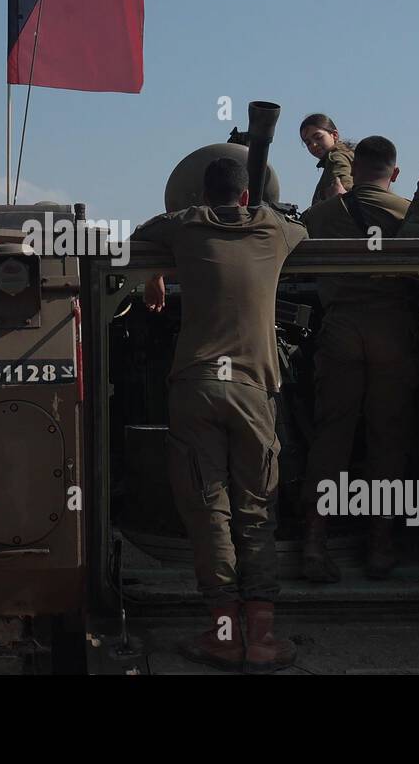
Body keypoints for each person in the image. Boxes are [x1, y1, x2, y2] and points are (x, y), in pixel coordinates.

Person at [132, 156, 306, 672]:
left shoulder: (183, 226)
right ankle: (263, 636)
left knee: (210, 511)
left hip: (197, 387)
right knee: (256, 513)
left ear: (202, 198)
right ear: (248, 197)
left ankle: (223, 635)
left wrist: (158, 272)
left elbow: (145, 231)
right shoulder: (276, 230)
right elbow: (305, 226)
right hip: (253, 390)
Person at [298, 135, 416, 581]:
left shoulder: (321, 215)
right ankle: (381, 547)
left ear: (355, 167)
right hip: (393, 329)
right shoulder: (409, 213)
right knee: (388, 437)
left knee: (331, 437)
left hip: (341, 327)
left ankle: (313, 545)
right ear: (394, 172)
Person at [300, 113, 355, 205]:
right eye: (308, 143)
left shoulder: (336, 156)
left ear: (334, 135)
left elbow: (344, 186)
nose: (313, 145)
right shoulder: (344, 154)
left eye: (318, 137)